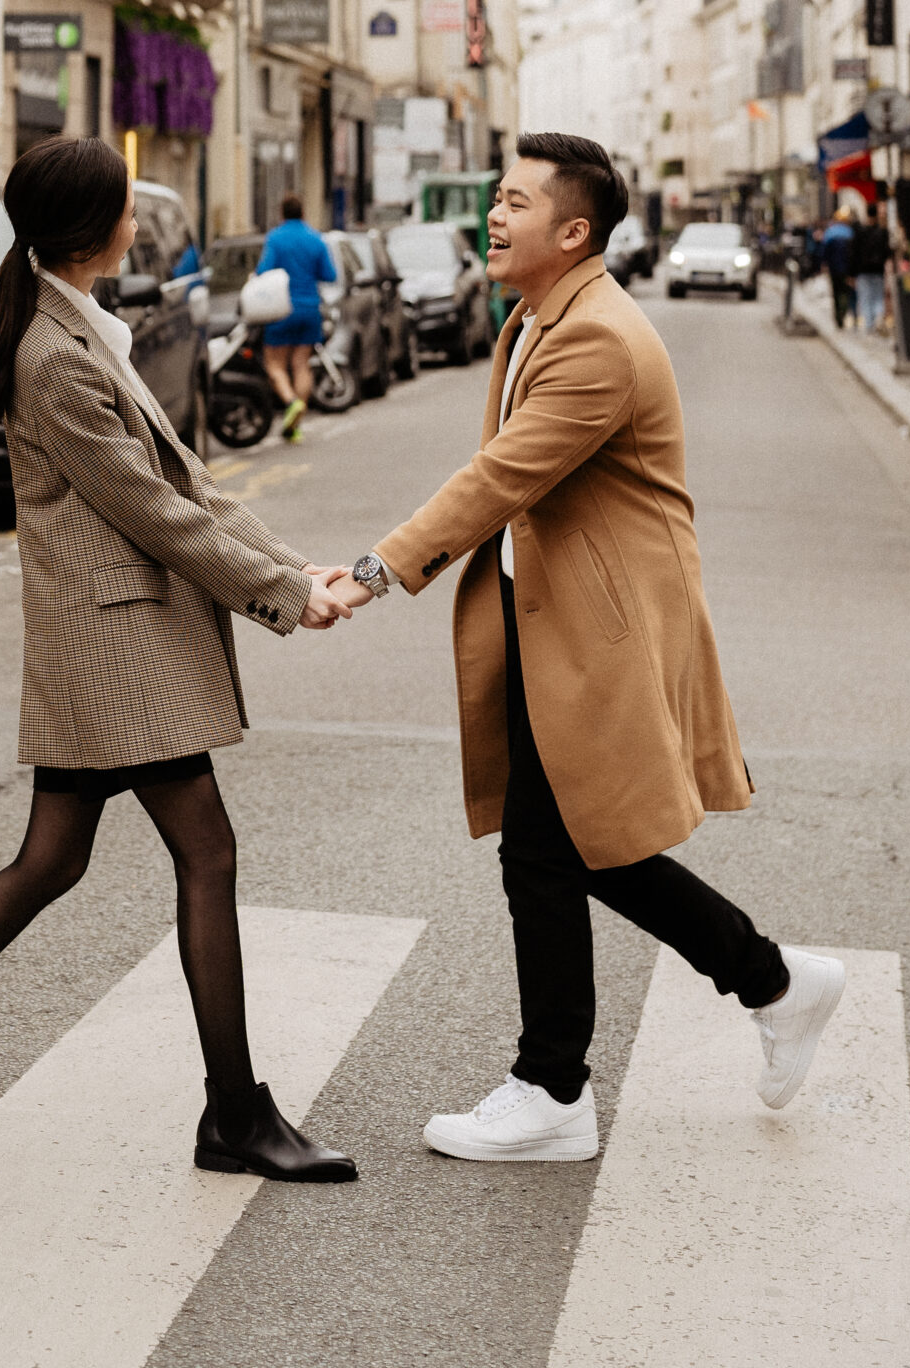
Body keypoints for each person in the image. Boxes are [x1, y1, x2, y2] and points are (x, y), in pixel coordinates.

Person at [0, 137, 359, 1181]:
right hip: (118, 648)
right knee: (206, 853)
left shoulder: (71, 324)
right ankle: (235, 1114)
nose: (135, 222)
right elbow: (151, 510)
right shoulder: (55, 355)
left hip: (105, 639)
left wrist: (296, 567)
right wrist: (288, 599)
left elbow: (188, 478)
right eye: (125, 207)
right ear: (92, 228)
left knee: (52, 860)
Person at [329, 131, 844, 1162]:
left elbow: (500, 477)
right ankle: (769, 984)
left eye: (514, 202)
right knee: (572, 846)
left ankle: (557, 1083)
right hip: (555, 620)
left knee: (554, 850)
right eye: (497, 197)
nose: (493, 215)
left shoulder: (596, 335)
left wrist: (375, 570)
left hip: (600, 631)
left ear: (573, 232)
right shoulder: (540, 315)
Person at [255, 193, 338, 444]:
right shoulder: (315, 238)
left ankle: (291, 402)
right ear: (303, 213)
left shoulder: (275, 238)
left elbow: (263, 271)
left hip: (280, 309)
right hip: (310, 309)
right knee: (302, 364)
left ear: (281, 213)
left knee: (275, 364)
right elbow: (330, 274)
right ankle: (296, 425)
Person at [852, 210, 892, 334]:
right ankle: (878, 318)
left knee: (865, 297)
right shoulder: (882, 232)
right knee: (878, 296)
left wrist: (852, 272)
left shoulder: (860, 232)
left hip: (863, 270)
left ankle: (869, 323)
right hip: (878, 269)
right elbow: (887, 251)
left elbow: (854, 252)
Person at [820, 207, 856, 327]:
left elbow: (825, 251)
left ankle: (838, 316)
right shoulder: (849, 232)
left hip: (834, 268)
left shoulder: (830, 232)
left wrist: (824, 264)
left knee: (836, 292)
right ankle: (843, 312)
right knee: (845, 291)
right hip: (846, 268)